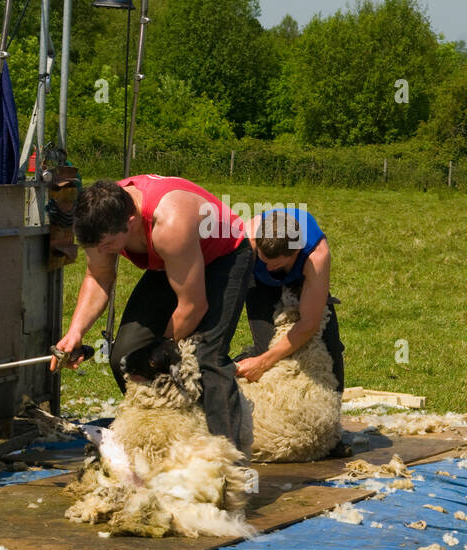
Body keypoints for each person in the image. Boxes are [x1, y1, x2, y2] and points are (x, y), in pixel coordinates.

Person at [53, 175, 252, 446]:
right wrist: (76, 331)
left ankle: (225, 457)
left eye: (108, 246)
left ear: (131, 222)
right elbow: (98, 277)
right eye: (96, 246)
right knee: (125, 357)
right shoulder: (101, 218)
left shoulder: (168, 223)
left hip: (223, 256)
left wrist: (160, 351)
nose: (102, 252)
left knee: (207, 358)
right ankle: (163, 437)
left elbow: (193, 306)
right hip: (171, 261)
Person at [235, 208, 344, 392]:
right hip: (260, 282)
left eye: (275, 264)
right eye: (265, 261)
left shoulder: (316, 256)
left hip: (301, 277)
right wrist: (263, 360)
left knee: (330, 358)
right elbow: (231, 296)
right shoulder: (247, 240)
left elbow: (309, 324)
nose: (269, 267)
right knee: (268, 350)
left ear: (296, 252)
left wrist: (262, 363)